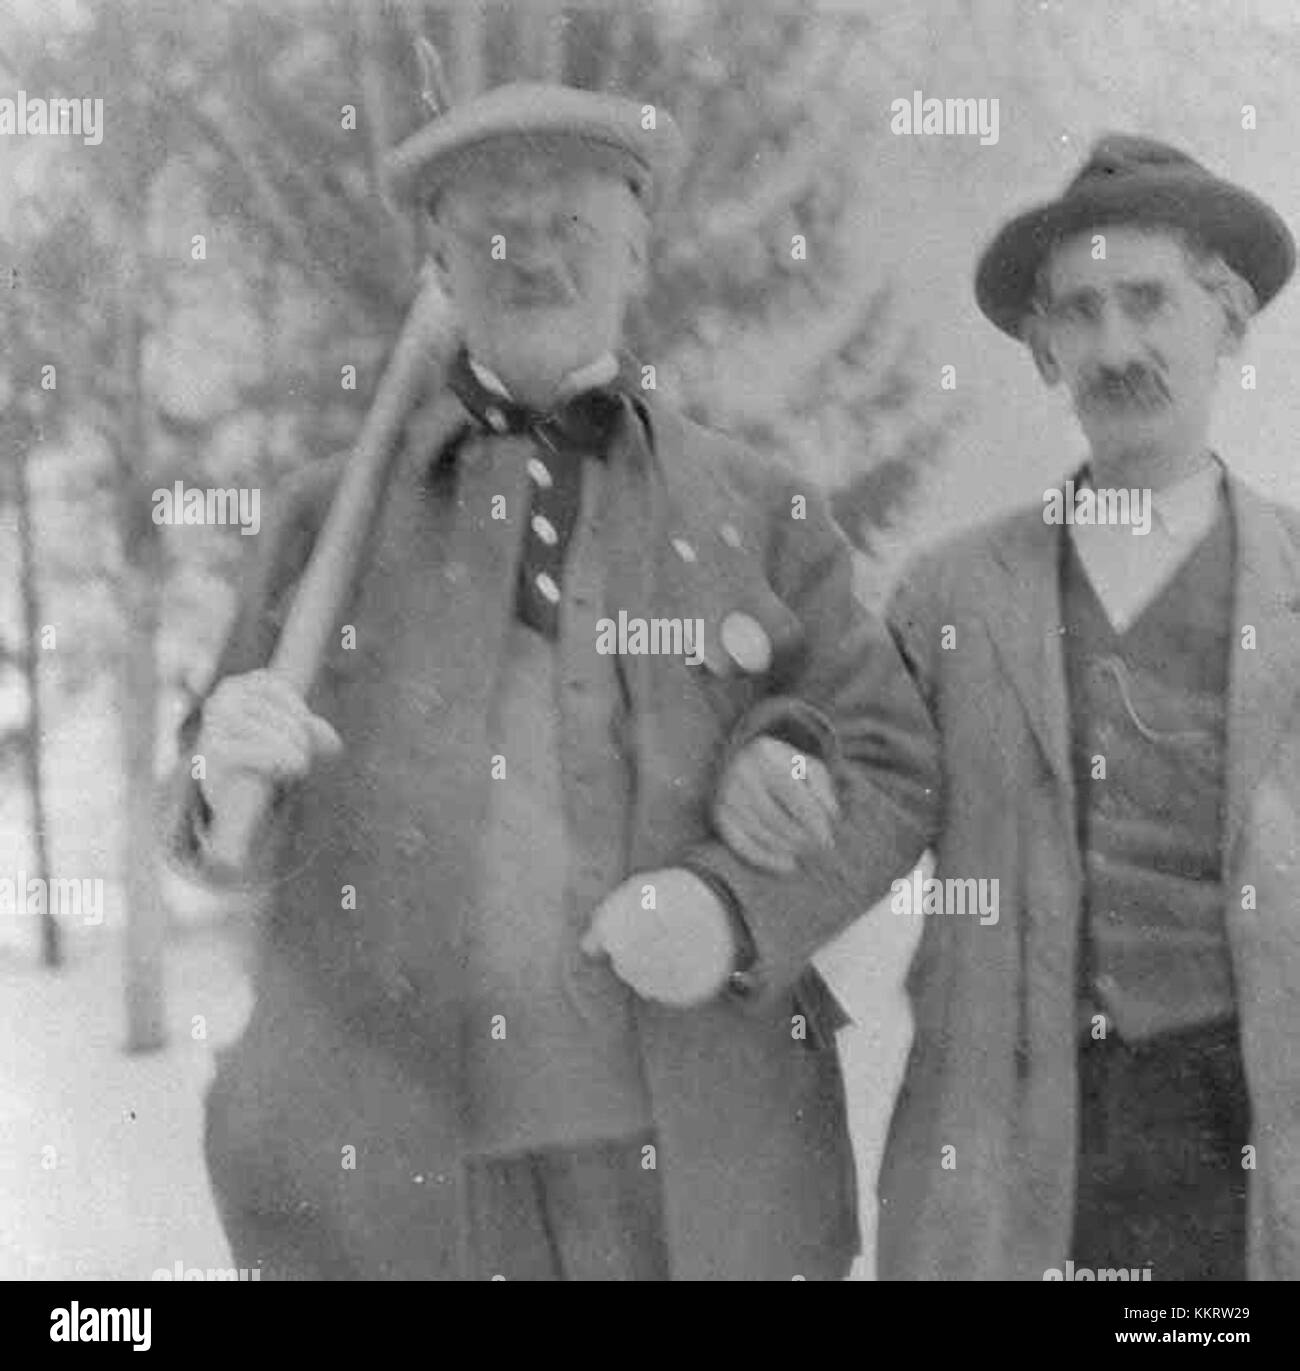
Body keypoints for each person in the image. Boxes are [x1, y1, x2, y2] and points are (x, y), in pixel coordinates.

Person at [164, 81, 938, 1281]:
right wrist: (218, 781)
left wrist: (737, 906)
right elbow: (223, 826)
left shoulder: (758, 509)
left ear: (636, 247)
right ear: (438, 264)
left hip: (695, 1173)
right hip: (403, 1183)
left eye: (569, 225)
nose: (529, 257)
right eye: (489, 231)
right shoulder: (328, 522)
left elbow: (889, 759)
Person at [718, 134, 1300, 1280]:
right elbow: (855, 766)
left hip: (1242, 1127)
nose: (1115, 345)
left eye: (1148, 302)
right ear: (1043, 352)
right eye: (1078, 314)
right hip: (1006, 1124)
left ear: (1227, 321)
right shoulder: (951, 593)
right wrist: (774, 756)